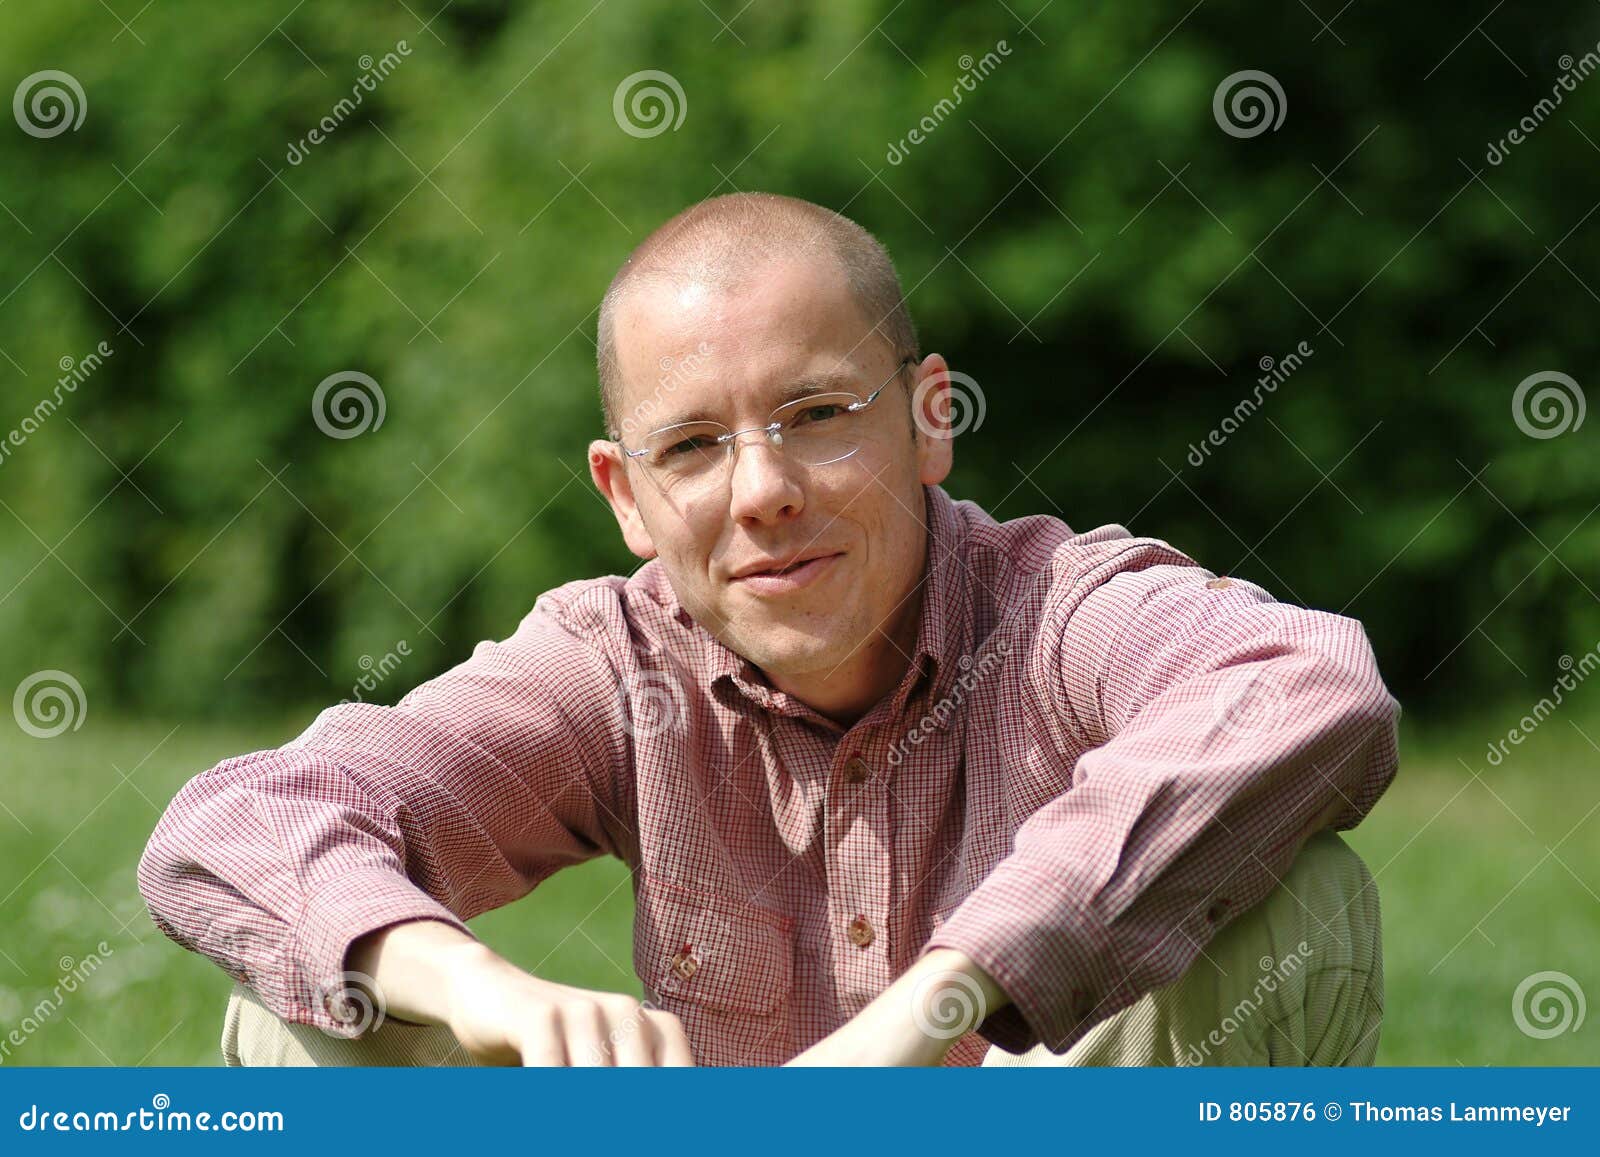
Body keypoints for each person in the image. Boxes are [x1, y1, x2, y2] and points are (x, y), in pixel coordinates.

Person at [138, 192, 1398, 1067]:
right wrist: (481, 990)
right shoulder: (609, 667)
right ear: (626, 496)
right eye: (691, 446)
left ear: (929, 416)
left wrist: (939, 1000)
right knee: (315, 1003)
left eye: (815, 412)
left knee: (1288, 897)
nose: (760, 490)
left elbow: (1305, 683)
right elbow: (237, 819)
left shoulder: (1060, 612)